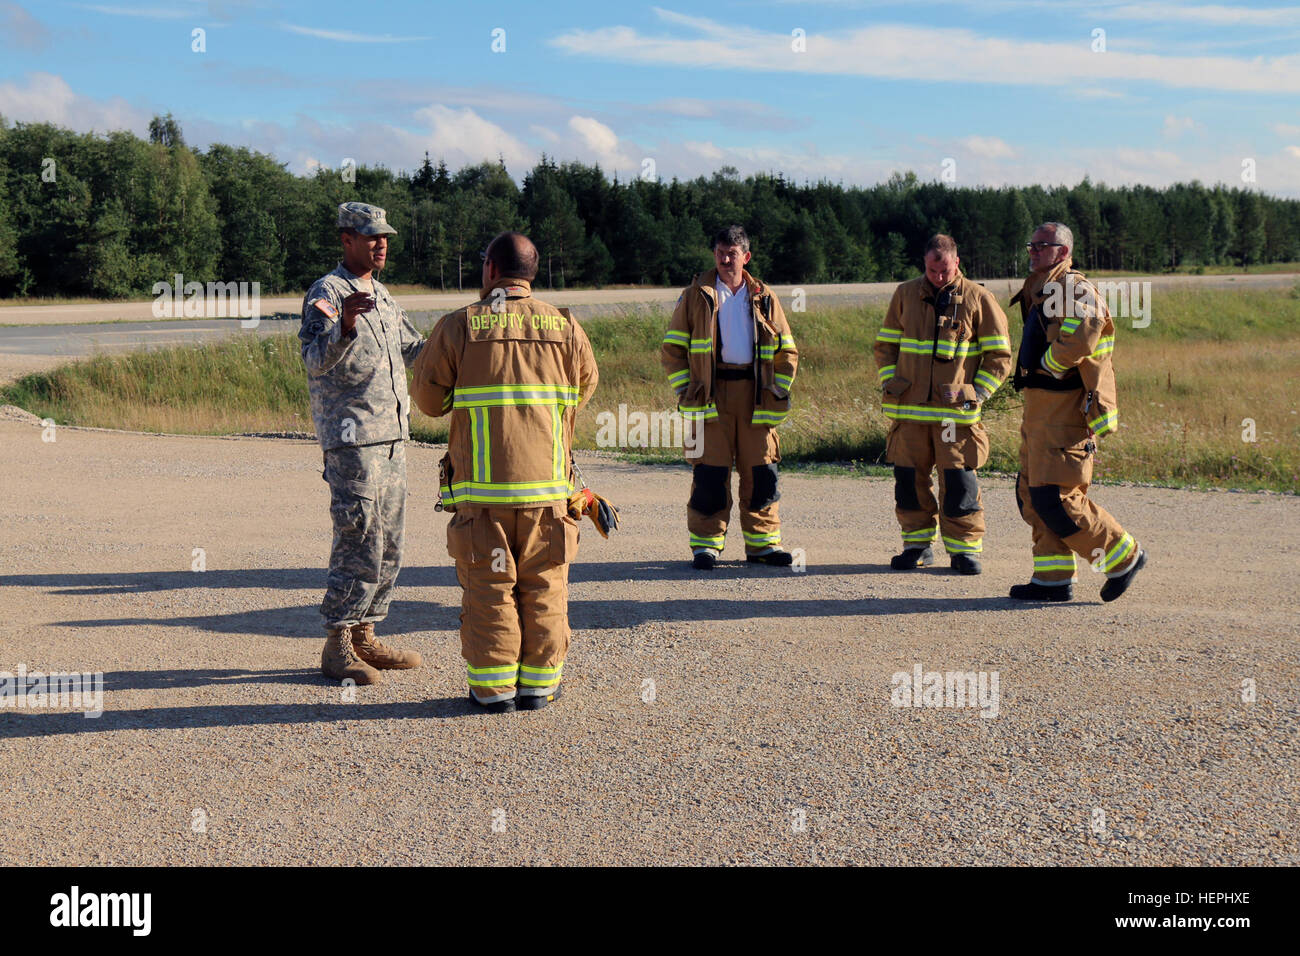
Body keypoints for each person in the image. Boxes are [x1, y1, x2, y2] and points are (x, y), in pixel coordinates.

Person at [410, 232, 598, 713]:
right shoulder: (566, 326)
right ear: (530, 273)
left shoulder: (460, 326)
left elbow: (429, 402)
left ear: (491, 269)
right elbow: (583, 389)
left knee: (490, 587)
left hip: (484, 498)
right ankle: (539, 687)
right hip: (549, 496)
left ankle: (494, 691)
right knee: (545, 586)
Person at [299, 201, 426, 685]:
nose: (381, 243)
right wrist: (345, 327)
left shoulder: (385, 295)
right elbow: (314, 359)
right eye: (371, 236)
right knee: (359, 536)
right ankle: (337, 646)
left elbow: (415, 349)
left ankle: (366, 636)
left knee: (390, 539)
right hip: (352, 437)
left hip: (392, 436)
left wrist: (465, 339)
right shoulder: (328, 293)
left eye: (385, 236)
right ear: (346, 239)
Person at [1008, 221, 1146, 602]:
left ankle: (1124, 558)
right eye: (1031, 244)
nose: (1033, 250)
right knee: (1032, 494)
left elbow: (1087, 328)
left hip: (1065, 409)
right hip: (1040, 409)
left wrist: (1051, 365)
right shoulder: (1042, 286)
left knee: (1057, 496)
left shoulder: (1074, 287)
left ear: (1063, 251)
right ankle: (1051, 580)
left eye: (1042, 245)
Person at [661, 225, 798, 570]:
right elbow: (673, 349)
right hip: (711, 397)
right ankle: (705, 547)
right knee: (709, 472)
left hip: (755, 398)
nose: (725, 259)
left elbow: (787, 351)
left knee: (762, 473)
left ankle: (764, 545)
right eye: (720, 252)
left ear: (746, 257)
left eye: (732, 253)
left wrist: (777, 392)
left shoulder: (765, 296)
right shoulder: (695, 295)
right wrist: (685, 390)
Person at [874, 234, 1012, 574]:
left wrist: (977, 394)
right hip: (910, 415)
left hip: (955, 417)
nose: (938, 276)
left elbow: (1000, 356)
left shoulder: (979, 298)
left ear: (957, 263)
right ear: (924, 264)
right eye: (932, 270)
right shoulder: (905, 294)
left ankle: (965, 551)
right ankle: (917, 546)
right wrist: (891, 383)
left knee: (959, 484)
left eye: (945, 269)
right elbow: (886, 346)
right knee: (909, 483)